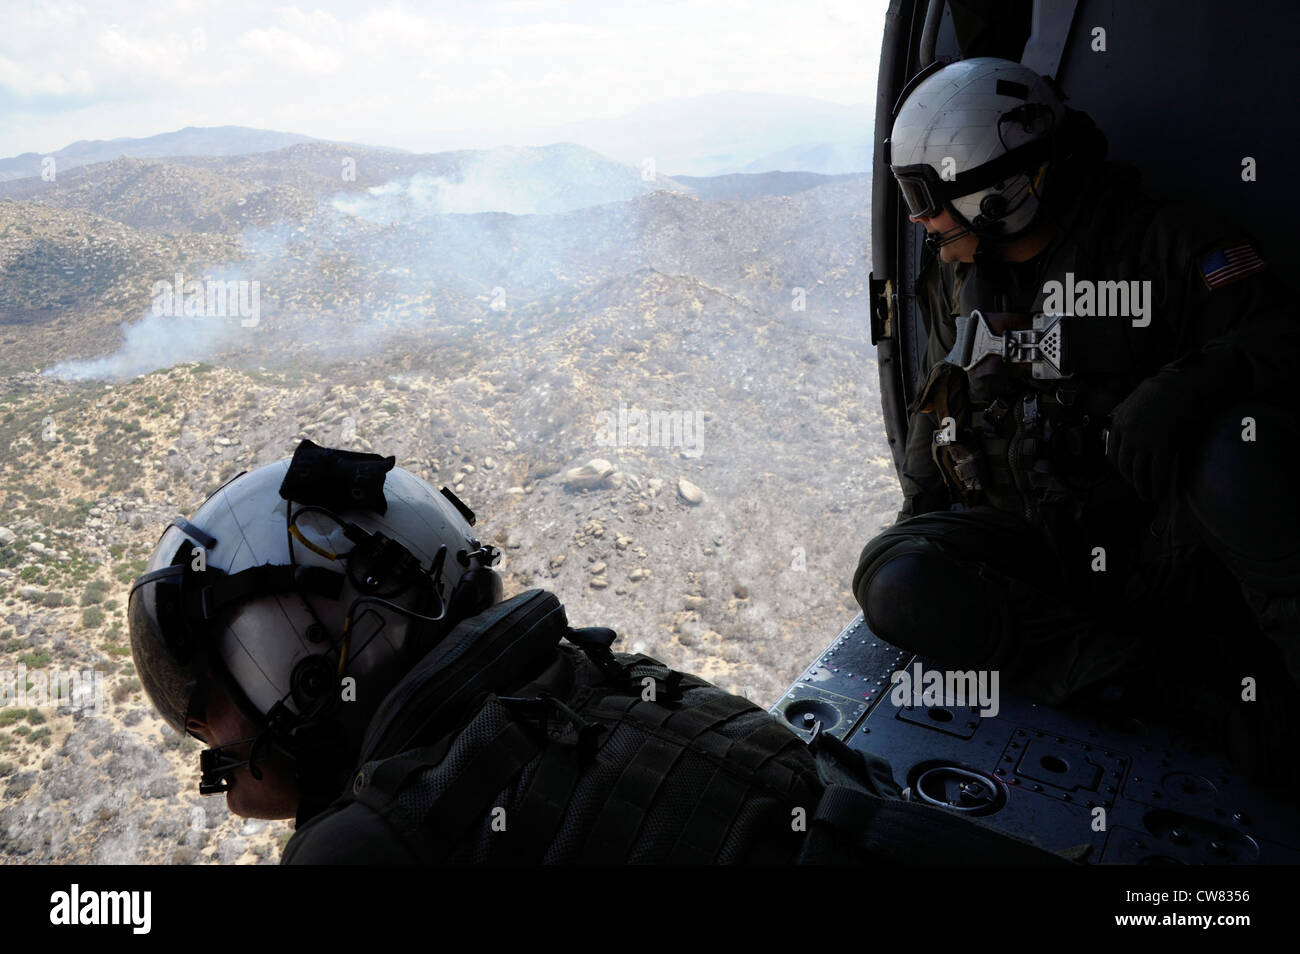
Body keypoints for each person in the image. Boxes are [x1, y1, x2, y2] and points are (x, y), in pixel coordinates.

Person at [129, 440, 1064, 864]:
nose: (201, 722)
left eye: (202, 688)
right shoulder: (595, 672)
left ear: (300, 660)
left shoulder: (373, 846)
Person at [855, 58, 1300, 769]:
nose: (918, 218)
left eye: (927, 195)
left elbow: (1283, 332)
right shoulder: (956, 275)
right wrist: (926, 516)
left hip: (1160, 548)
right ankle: (1169, 691)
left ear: (996, 192)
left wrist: (1192, 384)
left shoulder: (1166, 244)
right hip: (1040, 558)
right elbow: (937, 403)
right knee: (894, 579)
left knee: (1237, 456)